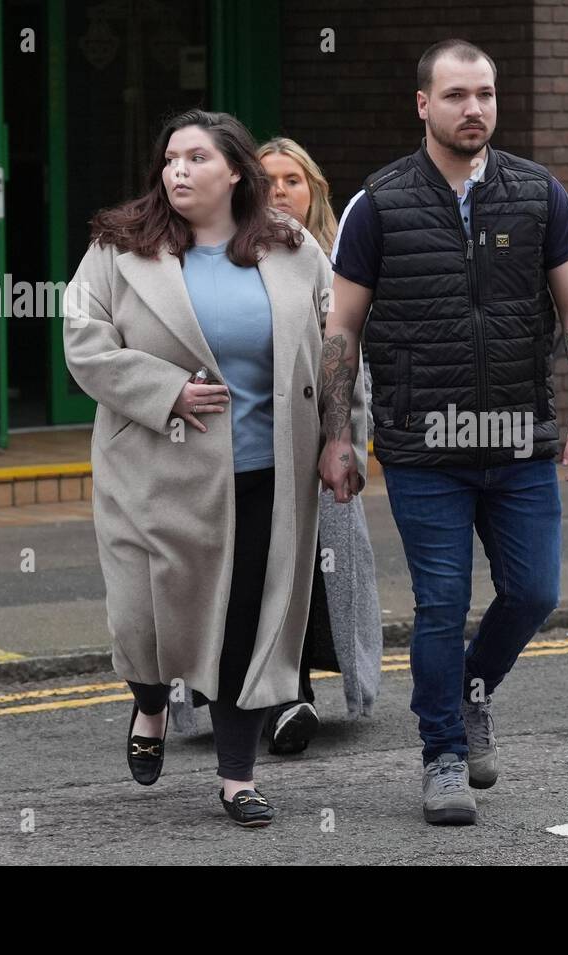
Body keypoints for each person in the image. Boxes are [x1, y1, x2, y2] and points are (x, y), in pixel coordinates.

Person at [319, 39, 568, 826]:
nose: (472, 107)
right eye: (454, 95)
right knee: (441, 603)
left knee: (536, 591)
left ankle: (470, 690)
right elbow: (341, 327)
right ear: (423, 104)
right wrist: (337, 434)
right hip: (424, 447)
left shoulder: (540, 193)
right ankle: (442, 751)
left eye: (484, 93)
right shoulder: (376, 204)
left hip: (520, 439)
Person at [63, 109, 367, 827]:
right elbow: (84, 341)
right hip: (151, 470)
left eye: (196, 158)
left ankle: (238, 776)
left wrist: (339, 436)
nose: (178, 171)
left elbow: (337, 345)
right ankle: (148, 702)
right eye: (170, 159)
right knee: (144, 617)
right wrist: (163, 388)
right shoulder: (119, 247)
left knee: (246, 624)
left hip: (266, 473)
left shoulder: (293, 248)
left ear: (235, 171)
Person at [167, 137, 386, 753]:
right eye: (269, 179)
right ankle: (248, 699)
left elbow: (348, 361)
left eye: (294, 179)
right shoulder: (221, 255)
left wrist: (346, 443)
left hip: (309, 452)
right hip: (231, 453)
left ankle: (291, 697)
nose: (281, 190)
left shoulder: (332, 256)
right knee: (236, 578)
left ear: (313, 188)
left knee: (303, 579)